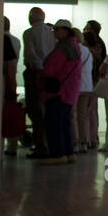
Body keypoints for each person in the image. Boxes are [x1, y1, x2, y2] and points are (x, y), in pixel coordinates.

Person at [39, 20, 82, 165]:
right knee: (65, 123)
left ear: (65, 31)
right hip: (70, 91)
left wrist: (42, 74)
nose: (55, 32)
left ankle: (57, 153)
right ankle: (68, 152)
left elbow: (51, 69)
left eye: (57, 30)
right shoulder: (75, 46)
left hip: (58, 91)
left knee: (54, 123)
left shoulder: (63, 48)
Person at [22, 7, 55, 158]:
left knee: (35, 110)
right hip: (51, 73)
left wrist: (39, 69)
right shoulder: (51, 32)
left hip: (35, 73)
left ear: (31, 18)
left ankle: (40, 145)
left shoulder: (29, 33)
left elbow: (30, 54)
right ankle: (48, 143)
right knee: (47, 109)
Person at [83, 21, 107, 147]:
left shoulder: (90, 49)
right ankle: (93, 136)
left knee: (86, 111)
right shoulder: (100, 44)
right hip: (95, 80)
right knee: (92, 110)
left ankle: (87, 137)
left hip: (90, 81)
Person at [71, 28, 94, 153]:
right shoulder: (88, 51)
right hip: (87, 86)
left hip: (75, 86)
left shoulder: (73, 50)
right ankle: (84, 142)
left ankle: (75, 141)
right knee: (83, 115)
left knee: (72, 115)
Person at [3, 18, 20, 157]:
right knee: (10, 113)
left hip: (4, 80)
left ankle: (1, 144)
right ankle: (12, 145)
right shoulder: (16, 40)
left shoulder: (0, 40)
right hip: (11, 78)